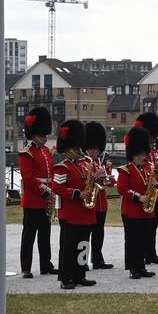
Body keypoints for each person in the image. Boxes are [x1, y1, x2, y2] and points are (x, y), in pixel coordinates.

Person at [52, 119, 96, 290]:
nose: (80, 151)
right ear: (69, 150)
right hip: (70, 214)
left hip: (85, 213)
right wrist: (78, 194)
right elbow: (57, 188)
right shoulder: (62, 168)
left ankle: (80, 275)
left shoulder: (85, 165)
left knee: (83, 246)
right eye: (77, 149)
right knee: (68, 248)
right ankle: (66, 277)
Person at [17, 106, 56, 278]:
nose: (44, 138)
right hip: (33, 199)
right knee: (29, 236)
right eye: (41, 135)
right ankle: (26, 268)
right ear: (33, 135)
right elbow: (28, 178)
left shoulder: (46, 152)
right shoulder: (27, 153)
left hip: (46, 200)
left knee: (45, 235)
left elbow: (51, 174)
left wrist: (51, 191)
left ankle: (45, 265)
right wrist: (45, 191)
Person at [117, 125, 156, 279]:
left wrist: (154, 185)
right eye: (140, 154)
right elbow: (121, 189)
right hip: (132, 210)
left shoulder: (148, 169)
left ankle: (142, 266)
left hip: (145, 210)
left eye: (143, 154)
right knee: (132, 240)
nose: (143, 156)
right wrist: (137, 196)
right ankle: (133, 268)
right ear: (133, 154)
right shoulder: (126, 170)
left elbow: (149, 185)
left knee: (143, 239)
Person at [133, 112, 158, 266]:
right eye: (150, 139)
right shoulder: (139, 155)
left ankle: (151, 253)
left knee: (153, 226)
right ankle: (143, 255)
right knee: (144, 228)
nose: (152, 142)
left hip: (156, 195)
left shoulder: (155, 153)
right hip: (144, 195)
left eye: (153, 139)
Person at [83, 121, 114, 270]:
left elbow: (111, 182)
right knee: (87, 234)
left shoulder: (102, 163)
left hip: (101, 203)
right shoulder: (84, 163)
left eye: (96, 149)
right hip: (91, 204)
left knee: (99, 233)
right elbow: (83, 181)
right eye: (91, 148)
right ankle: (83, 261)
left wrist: (106, 175)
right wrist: (96, 175)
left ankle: (97, 259)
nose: (94, 151)